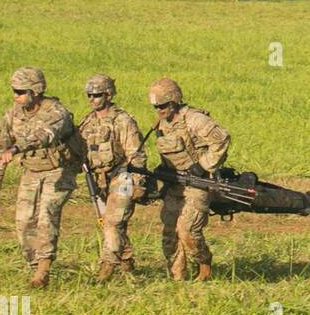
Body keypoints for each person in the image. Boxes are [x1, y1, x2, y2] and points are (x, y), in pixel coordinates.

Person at [0, 67, 77, 288]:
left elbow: (45, 135)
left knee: (46, 216)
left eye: (20, 91)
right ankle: (34, 266)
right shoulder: (12, 115)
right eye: (14, 91)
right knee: (24, 222)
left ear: (35, 91)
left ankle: (43, 271)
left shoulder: (56, 112)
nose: (15, 96)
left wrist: (17, 149)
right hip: (31, 172)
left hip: (58, 171)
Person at [149, 77, 230, 282]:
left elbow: (222, 138)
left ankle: (204, 264)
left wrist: (203, 166)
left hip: (197, 184)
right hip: (174, 185)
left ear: (174, 101)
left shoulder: (194, 120)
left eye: (163, 105)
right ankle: (179, 279)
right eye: (156, 106)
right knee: (170, 235)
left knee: (188, 231)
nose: (159, 110)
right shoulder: (162, 124)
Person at [76, 74, 146, 283]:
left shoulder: (123, 121)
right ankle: (126, 261)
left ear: (108, 95)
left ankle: (106, 267)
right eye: (89, 95)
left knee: (112, 222)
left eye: (96, 95)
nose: (92, 99)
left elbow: (137, 154)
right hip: (99, 180)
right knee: (112, 222)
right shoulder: (87, 122)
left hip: (122, 177)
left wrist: (137, 182)